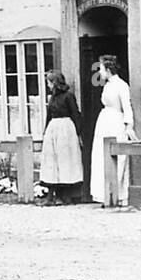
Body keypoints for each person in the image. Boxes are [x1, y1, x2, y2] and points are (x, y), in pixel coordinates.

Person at [89, 55, 135, 207]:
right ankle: (105, 194)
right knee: (101, 157)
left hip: (116, 122)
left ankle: (119, 195)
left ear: (108, 70)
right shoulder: (107, 85)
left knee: (119, 157)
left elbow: (127, 107)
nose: (100, 73)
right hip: (105, 122)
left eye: (101, 69)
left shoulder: (121, 85)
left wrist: (129, 126)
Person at [40, 71, 82, 204]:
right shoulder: (52, 98)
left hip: (66, 130)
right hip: (53, 129)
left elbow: (75, 114)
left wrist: (78, 133)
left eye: (49, 82)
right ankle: (51, 195)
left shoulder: (68, 96)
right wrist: (46, 132)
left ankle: (66, 195)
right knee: (52, 161)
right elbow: (49, 115)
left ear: (55, 83)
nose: (48, 85)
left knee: (66, 160)